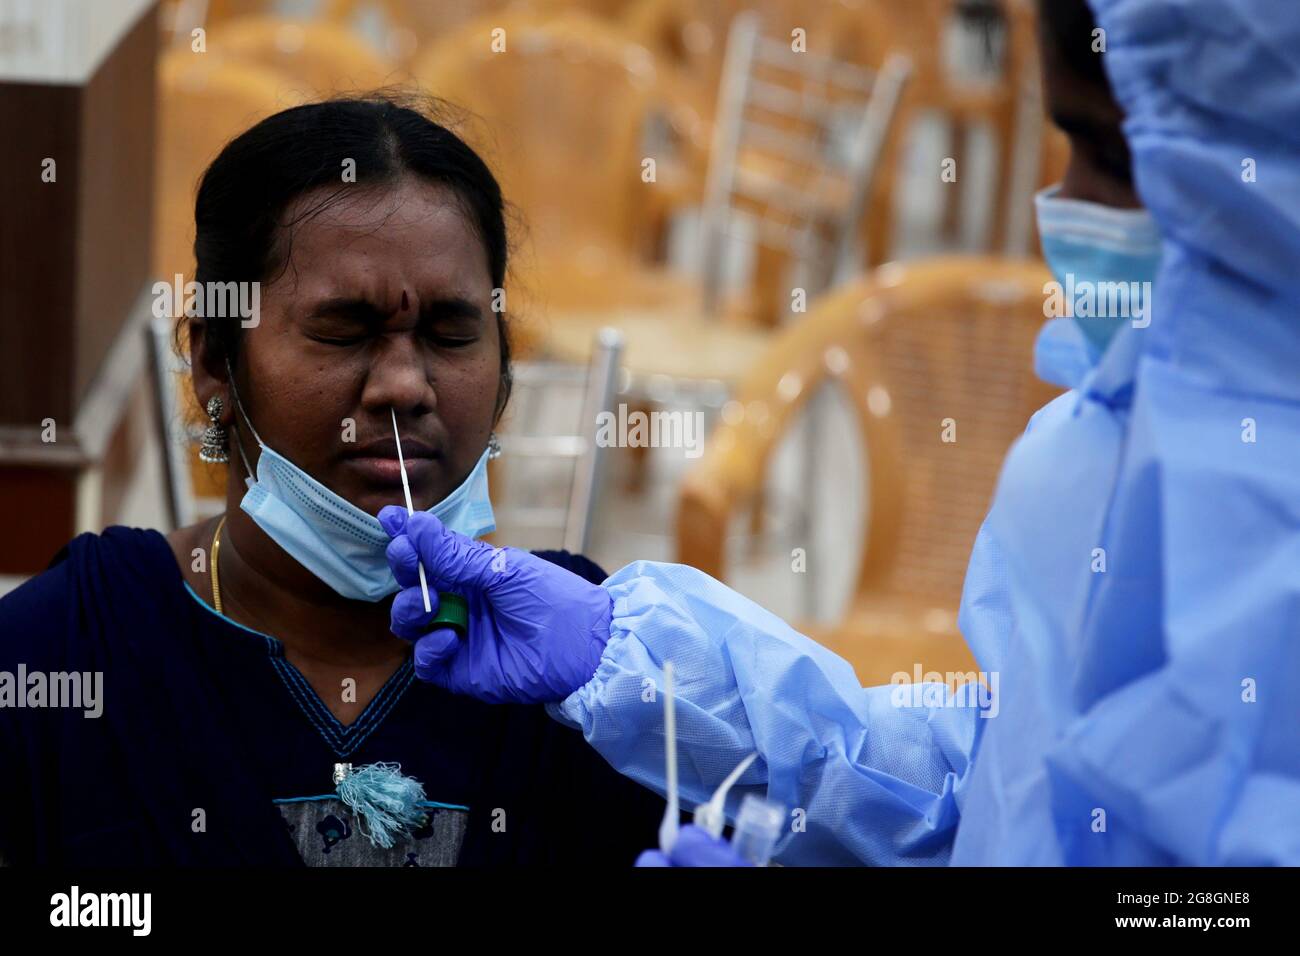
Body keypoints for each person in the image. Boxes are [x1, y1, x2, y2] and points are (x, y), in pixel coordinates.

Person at [381, 0, 1300, 866]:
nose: (1065, 202)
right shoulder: (1100, 447)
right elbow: (999, 784)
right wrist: (635, 657)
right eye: (1069, 144)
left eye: (1115, 154)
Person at [0, 96, 668, 866]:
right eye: (343, 332)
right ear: (218, 360)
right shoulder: (69, 655)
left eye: (452, 334)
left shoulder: (592, 668)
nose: (405, 386)